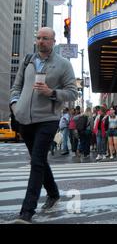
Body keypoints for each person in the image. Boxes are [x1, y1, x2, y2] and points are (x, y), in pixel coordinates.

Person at [10, 27, 77, 223]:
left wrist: (52, 93)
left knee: (36, 161)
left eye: (45, 38)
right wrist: (15, 105)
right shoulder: (27, 60)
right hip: (24, 119)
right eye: (38, 38)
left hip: (48, 119)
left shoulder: (63, 64)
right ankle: (53, 192)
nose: (41, 41)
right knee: (39, 160)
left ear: (53, 41)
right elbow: (17, 86)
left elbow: (72, 93)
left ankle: (27, 212)